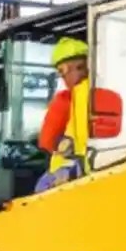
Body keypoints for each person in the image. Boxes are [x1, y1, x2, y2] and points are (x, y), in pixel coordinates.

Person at [34, 37, 91, 192]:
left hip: (72, 174)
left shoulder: (74, 97)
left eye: (62, 71)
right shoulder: (97, 91)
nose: (63, 78)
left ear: (80, 67)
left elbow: (47, 141)